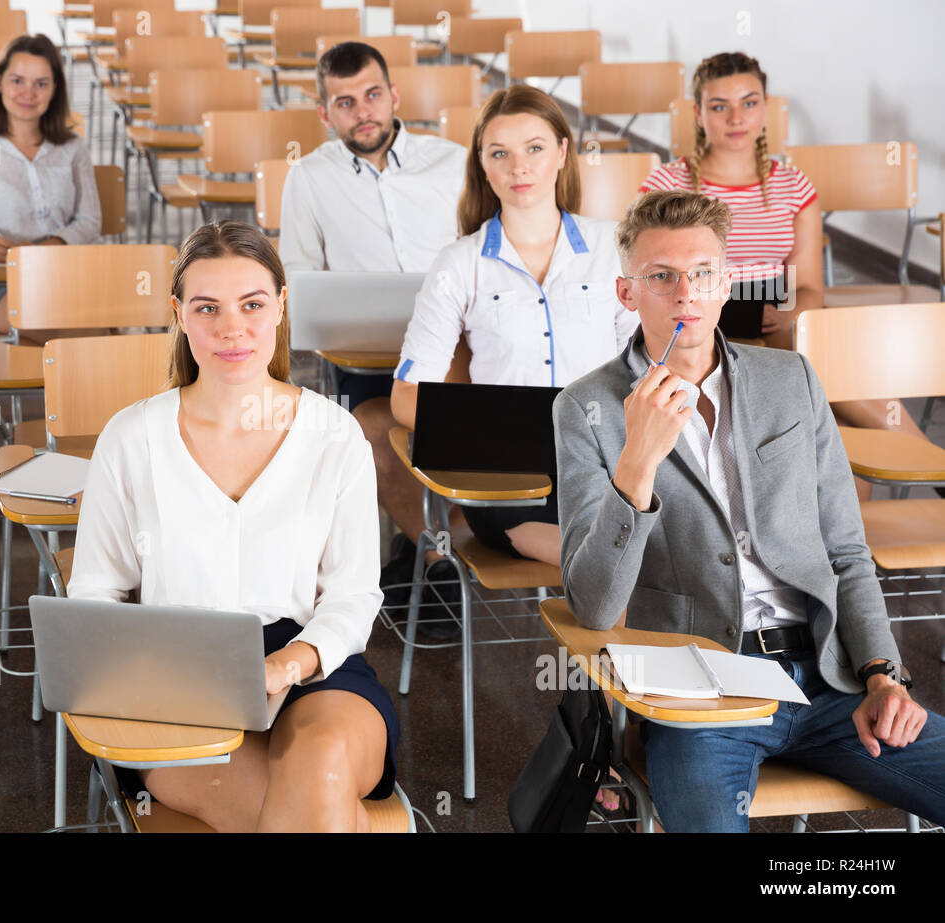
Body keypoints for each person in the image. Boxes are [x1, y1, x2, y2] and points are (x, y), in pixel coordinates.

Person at [553, 189, 945, 832]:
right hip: (700, 694)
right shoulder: (585, 408)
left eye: (703, 273)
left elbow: (846, 550)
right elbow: (594, 606)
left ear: (726, 282)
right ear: (628, 293)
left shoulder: (791, 378)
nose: (687, 294)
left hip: (830, 681)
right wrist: (637, 465)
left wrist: (882, 676)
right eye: (662, 277)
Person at [66, 221, 398, 832]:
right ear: (179, 315)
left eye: (251, 304)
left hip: (312, 664)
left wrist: (290, 663)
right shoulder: (131, 436)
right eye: (207, 308)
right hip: (178, 675)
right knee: (311, 815)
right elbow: (93, 591)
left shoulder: (334, 434)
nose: (232, 328)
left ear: (280, 305)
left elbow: (354, 593)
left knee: (322, 766)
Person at [370, 85, 635, 607]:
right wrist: (491, 429)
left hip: (610, 465)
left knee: (636, 539)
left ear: (562, 153)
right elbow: (404, 397)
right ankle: (598, 678)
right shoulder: (459, 263)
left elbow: (646, 367)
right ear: (483, 168)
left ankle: (596, 683)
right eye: (500, 154)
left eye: (535, 148)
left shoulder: (613, 247)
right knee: (615, 557)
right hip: (512, 487)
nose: (520, 167)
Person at [638, 51, 930, 494]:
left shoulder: (793, 186)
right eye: (719, 106)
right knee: (823, 381)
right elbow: (647, 273)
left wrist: (793, 314)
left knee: (829, 380)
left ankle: (876, 515)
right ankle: (931, 458)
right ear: (698, 114)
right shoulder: (665, 185)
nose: (736, 117)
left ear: (765, 108)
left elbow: (810, 287)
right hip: (692, 317)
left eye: (749, 103)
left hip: (772, 320)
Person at [279, 40, 466, 413]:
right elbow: (299, 276)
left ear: (393, 96)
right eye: (345, 103)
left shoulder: (454, 162)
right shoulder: (308, 177)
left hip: (457, 345)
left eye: (373, 95)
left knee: (465, 438)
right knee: (376, 445)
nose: (363, 112)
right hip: (365, 355)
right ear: (324, 114)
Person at [0, 33, 101, 333]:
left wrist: (51, 246)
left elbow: (90, 220)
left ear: (55, 90)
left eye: (41, 83)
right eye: (17, 81)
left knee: (123, 326)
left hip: (69, 274)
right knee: (88, 335)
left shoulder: (72, 147)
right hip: (5, 285)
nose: (29, 93)